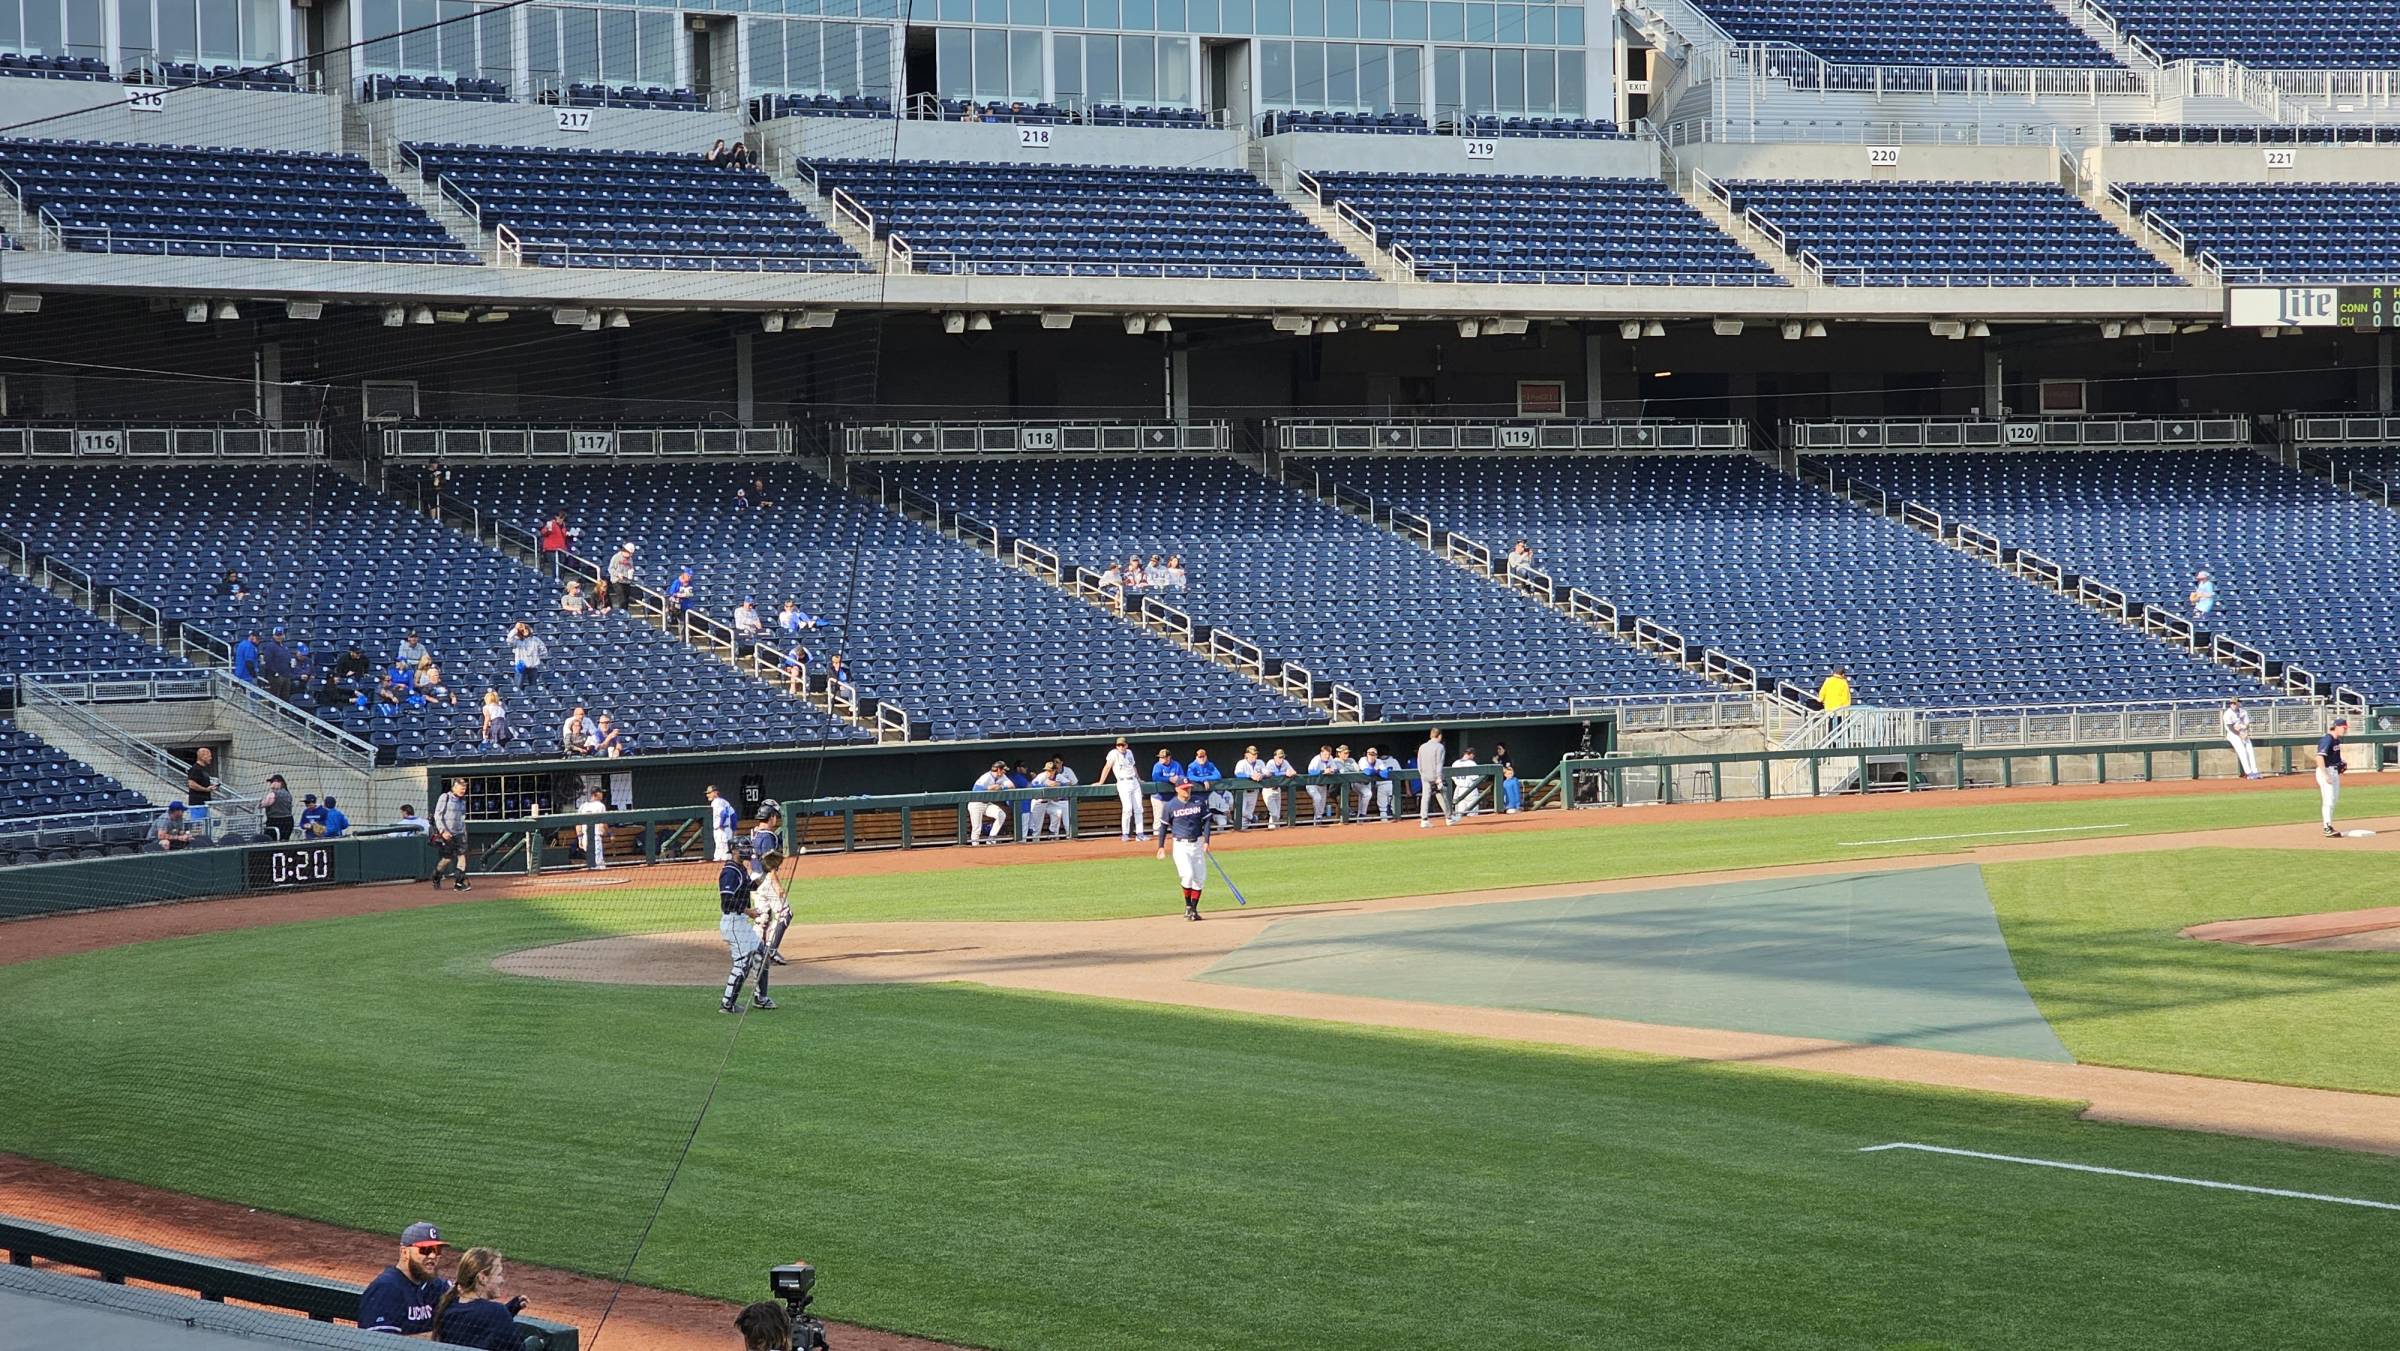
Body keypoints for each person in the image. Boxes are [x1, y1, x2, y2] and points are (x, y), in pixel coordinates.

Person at [359, 1222, 451, 1336]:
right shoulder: (386, 1289)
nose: (432, 1256)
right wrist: (437, 1339)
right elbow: (380, 1343)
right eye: (425, 1250)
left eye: (437, 1250)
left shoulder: (436, 1286)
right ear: (404, 1252)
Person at [430, 1246, 527, 1349]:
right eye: (498, 1274)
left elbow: (473, 1327)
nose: (502, 1280)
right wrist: (504, 1314)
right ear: (482, 1278)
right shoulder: (497, 1312)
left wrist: (508, 1311)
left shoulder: (447, 1307)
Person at [718, 842, 775, 1012]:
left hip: (740, 922)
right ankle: (727, 1004)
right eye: (743, 848)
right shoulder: (729, 872)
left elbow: (752, 886)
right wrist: (747, 911)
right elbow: (726, 901)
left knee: (761, 955)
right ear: (734, 851)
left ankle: (761, 998)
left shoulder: (740, 868)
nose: (747, 851)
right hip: (733, 923)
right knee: (742, 963)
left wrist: (766, 871)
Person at [1154, 777, 1213, 921]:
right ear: (1177, 789)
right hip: (1180, 845)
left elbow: (1206, 822)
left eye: (1189, 787)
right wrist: (1161, 846)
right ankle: (1188, 907)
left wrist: (1206, 840)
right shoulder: (1170, 805)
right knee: (1187, 875)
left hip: (1197, 843)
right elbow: (1163, 827)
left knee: (1200, 878)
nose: (1187, 790)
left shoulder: (1199, 802)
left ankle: (1193, 909)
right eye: (1184, 788)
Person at [748, 802, 791, 965]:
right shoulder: (769, 836)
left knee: (762, 916)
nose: (776, 820)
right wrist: (778, 886)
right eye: (775, 816)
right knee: (785, 912)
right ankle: (771, 950)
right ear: (771, 817)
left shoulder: (753, 833)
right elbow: (770, 864)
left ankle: (754, 951)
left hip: (754, 878)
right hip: (766, 879)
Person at [1098, 737, 1145, 841]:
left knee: (1139, 808)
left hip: (1134, 781)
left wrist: (1139, 778)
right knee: (1127, 809)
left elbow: (1133, 766)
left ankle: (1140, 833)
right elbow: (1107, 767)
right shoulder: (1113, 753)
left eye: (1122, 745)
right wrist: (1101, 782)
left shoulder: (1129, 752)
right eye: (1119, 745)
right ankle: (1125, 834)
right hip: (1123, 782)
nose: (1121, 747)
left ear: (1126, 745)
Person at [432, 777, 471, 891]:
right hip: (447, 834)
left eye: (465, 788)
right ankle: (436, 876)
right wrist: (443, 831)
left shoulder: (462, 801)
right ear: (454, 787)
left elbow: (462, 818)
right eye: (461, 788)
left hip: (459, 834)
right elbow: (437, 815)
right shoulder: (445, 797)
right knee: (447, 859)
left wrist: (464, 831)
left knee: (462, 856)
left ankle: (458, 883)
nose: (463, 791)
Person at [2316, 716, 2348, 838]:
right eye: (2343, 728)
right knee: (2328, 800)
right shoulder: (2327, 739)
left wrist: (2341, 763)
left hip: (2333, 771)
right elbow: (2319, 757)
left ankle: (2329, 825)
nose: (2345, 730)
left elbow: (2334, 757)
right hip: (2326, 771)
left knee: (2333, 800)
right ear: (2337, 727)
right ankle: (2327, 827)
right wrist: (2325, 775)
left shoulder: (2336, 740)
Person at [968, 760, 1013, 845]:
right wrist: (989, 788)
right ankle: (974, 848)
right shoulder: (986, 777)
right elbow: (976, 790)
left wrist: (1001, 787)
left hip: (986, 803)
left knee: (1001, 815)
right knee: (977, 829)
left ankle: (991, 839)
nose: (1004, 772)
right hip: (976, 803)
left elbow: (1012, 786)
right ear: (999, 770)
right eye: (1003, 770)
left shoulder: (1002, 777)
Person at [1416, 727, 1449, 828]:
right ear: (1439, 736)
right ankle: (1449, 818)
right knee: (1443, 795)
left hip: (1425, 775)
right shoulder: (1439, 747)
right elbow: (1439, 763)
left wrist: (1422, 774)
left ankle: (1424, 819)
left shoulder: (1422, 746)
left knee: (1425, 797)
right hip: (1435, 776)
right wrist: (1438, 777)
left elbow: (1419, 763)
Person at [1186, 747, 1228, 827]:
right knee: (1198, 816)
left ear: (1206, 756)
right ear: (1196, 757)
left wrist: (1206, 778)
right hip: (1197, 795)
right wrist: (1203, 780)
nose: (1202, 758)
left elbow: (1218, 775)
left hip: (1209, 795)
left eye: (1203, 756)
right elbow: (1190, 777)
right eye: (1200, 757)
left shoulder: (1210, 765)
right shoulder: (1192, 766)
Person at [2223, 697, 2261, 780]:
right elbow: (2230, 728)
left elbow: (2247, 724)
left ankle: (2255, 771)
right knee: (2242, 752)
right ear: (2231, 704)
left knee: (2250, 751)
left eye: (2236, 703)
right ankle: (2248, 773)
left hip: (2243, 732)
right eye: (2233, 703)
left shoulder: (2243, 711)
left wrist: (2245, 732)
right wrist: (2239, 734)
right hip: (2233, 734)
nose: (2235, 704)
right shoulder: (2227, 713)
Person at [1232, 745, 1267, 828]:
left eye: (1255, 754)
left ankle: (1245, 835)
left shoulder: (1260, 762)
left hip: (1254, 791)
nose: (1254, 756)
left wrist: (1262, 775)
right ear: (1246, 755)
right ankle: (1254, 817)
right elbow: (1238, 774)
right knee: (1242, 811)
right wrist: (1250, 775)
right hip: (1243, 792)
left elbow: (1266, 772)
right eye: (1252, 754)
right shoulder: (1241, 763)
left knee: (1246, 817)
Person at [1148, 746, 1184, 827]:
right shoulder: (1158, 766)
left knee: (1175, 818)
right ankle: (1157, 836)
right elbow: (1155, 777)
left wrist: (1178, 779)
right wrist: (1169, 779)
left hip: (1172, 797)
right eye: (1160, 757)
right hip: (1159, 797)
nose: (1161, 759)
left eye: (1163, 757)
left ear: (1169, 757)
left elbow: (1182, 777)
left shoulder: (1176, 765)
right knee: (1159, 819)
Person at [1262, 747, 1296, 828]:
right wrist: (1285, 773)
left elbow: (1294, 772)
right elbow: (1269, 774)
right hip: (1268, 790)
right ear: (1275, 757)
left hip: (1277, 790)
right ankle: (1274, 830)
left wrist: (1291, 773)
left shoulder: (1285, 762)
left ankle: (1274, 831)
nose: (1281, 759)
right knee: (1274, 813)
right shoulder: (1270, 763)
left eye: (1282, 757)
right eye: (1279, 757)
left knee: (1276, 814)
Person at [507, 622, 548, 689]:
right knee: (518, 685)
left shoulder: (536, 640)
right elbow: (509, 639)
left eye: (526, 629)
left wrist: (536, 657)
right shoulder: (517, 640)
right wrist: (516, 629)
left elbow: (544, 650)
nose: (525, 631)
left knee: (533, 686)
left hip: (533, 666)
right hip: (521, 666)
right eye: (522, 630)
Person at [1045, 756, 1078, 839]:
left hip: (1065, 801)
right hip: (1053, 802)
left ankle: (1070, 841)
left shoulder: (1062, 774)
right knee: (1056, 822)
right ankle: (1054, 840)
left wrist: (1060, 784)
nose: (1056, 764)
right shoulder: (1045, 776)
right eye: (1054, 762)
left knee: (1068, 825)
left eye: (1057, 762)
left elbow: (1072, 783)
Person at [578, 786, 609, 870]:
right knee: (599, 866)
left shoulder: (583, 806)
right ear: (595, 794)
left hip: (585, 838)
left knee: (591, 865)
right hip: (596, 838)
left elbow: (578, 824)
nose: (602, 794)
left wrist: (580, 839)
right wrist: (607, 833)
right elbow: (603, 823)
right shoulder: (601, 806)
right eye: (600, 792)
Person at [1305, 744, 1336, 824]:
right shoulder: (1316, 760)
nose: (1327, 756)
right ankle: (1318, 819)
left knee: (1322, 806)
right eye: (1325, 754)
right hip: (1312, 784)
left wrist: (1331, 770)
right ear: (1321, 753)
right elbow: (1311, 772)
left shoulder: (1331, 758)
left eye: (1328, 754)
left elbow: (1335, 768)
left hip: (1322, 785)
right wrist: (1323, 771)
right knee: (1317, 798)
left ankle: (1317, 822)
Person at [1366, 746, 1399, 820]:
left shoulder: (1377, 762)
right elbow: (1399, 774)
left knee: (1383, 808)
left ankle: (1384, 822)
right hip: (1392, 785)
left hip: (1381, 786)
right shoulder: (1394, 761)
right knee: (1394, 806)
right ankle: (1396, 821)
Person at [260, 773, 296, 841]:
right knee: (283, 841)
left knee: (271, 841)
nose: (271, 784)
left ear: (280, 782)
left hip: (277, 821)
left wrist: (256, 805)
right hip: (287, 820)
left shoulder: (274, 794)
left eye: (273, 782)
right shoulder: (287, 793)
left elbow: (264, 804)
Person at [707, 783, 738, 861]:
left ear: (715, 792)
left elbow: (723, 813)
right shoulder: (725, 802)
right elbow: (734, 816)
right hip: (728, 830)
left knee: (721, 857)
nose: (707, 795)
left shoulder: (716, 802)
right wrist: (734, 830)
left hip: (721, 831)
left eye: (709, 793)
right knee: (726, 854)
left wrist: (721, 824)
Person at [1451, 746, 1484, 817]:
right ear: (1471, 754)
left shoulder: (1455, 763)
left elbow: (1453, 778)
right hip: (1470, 790)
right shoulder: (1471, 763)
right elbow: (1475, 778)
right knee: (1472, 814)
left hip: (1459, 790)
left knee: (1459, 814)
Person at [184, 746, 216, 817]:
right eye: (209, 756)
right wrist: (205, 789)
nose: (211, 758)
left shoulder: (203, 769)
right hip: (197, 804)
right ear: (202, 757)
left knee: (205, 825)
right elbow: (191, 784)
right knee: (198, 825)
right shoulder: (195, 769)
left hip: (204, 803)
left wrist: (210, 787)